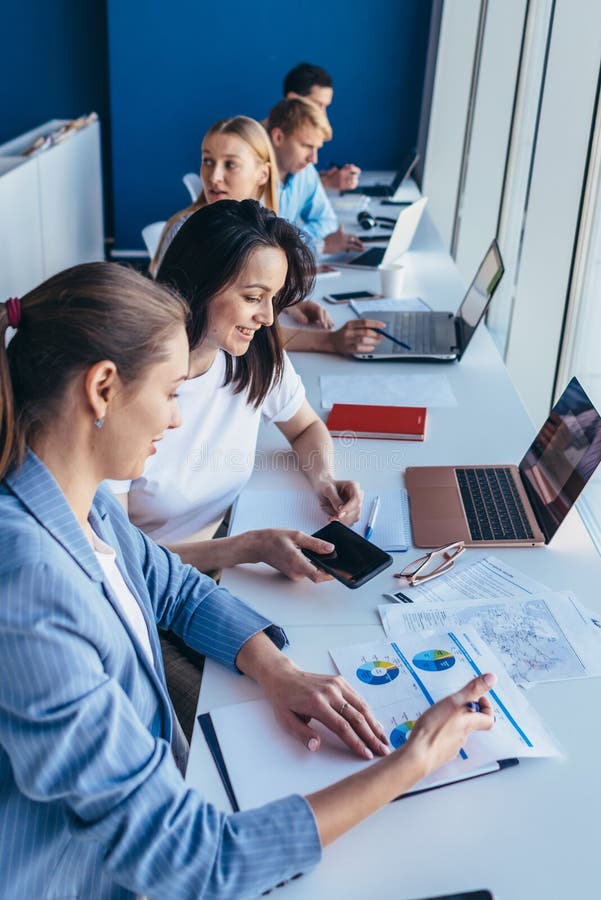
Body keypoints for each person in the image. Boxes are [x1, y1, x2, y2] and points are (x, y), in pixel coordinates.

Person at [0, 265, 497, 899]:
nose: (176, 420)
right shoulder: (29, 588)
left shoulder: (80, 502)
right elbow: (196, 862)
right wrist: (415, 760)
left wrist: (278, 673)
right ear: (102, 388)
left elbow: (175, 588)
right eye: (171, 392)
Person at [114, 200, 366, 581]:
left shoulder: (254, 357)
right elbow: (115, 554)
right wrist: (247, 548)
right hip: (151, 586)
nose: (267, 317)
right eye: (252, 298)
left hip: (222, 556)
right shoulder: (126, 388)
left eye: (273, 298)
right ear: (199, 284)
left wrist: (324, 479)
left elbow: (304, 428)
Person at [149, 115, 378, 353]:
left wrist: (287, 304)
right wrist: (327, 341)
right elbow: (207, 326)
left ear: (263, 174)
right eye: (207, 161)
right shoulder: (190, 233)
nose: (213, 177)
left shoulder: (263, 228)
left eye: (230, 164)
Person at [267, 97, 365, 256]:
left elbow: (327, 222)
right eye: (306, 146)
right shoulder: (250, 178)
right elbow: (260, 249)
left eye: (317, 148)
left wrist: (291, 239)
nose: (313, 159)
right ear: (278, 137)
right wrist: (319, 245)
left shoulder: (305, 172)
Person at [283, 62, 361, 192]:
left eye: (326, 106)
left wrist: (326, 181)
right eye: (317, 105)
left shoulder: (301, 158)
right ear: (292, 100)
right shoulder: (256, 145)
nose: (323, 114)